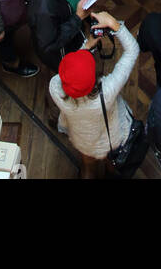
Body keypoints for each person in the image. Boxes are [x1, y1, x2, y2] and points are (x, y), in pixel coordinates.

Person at [50, 11, 139, 178]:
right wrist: (115, 25)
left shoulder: (55, 88)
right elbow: (132, 50)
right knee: (113, 165)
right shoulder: (108, 91)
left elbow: (67, 74)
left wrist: (86, 46)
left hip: (83, 140)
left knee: (87, 167)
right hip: (113, 139)